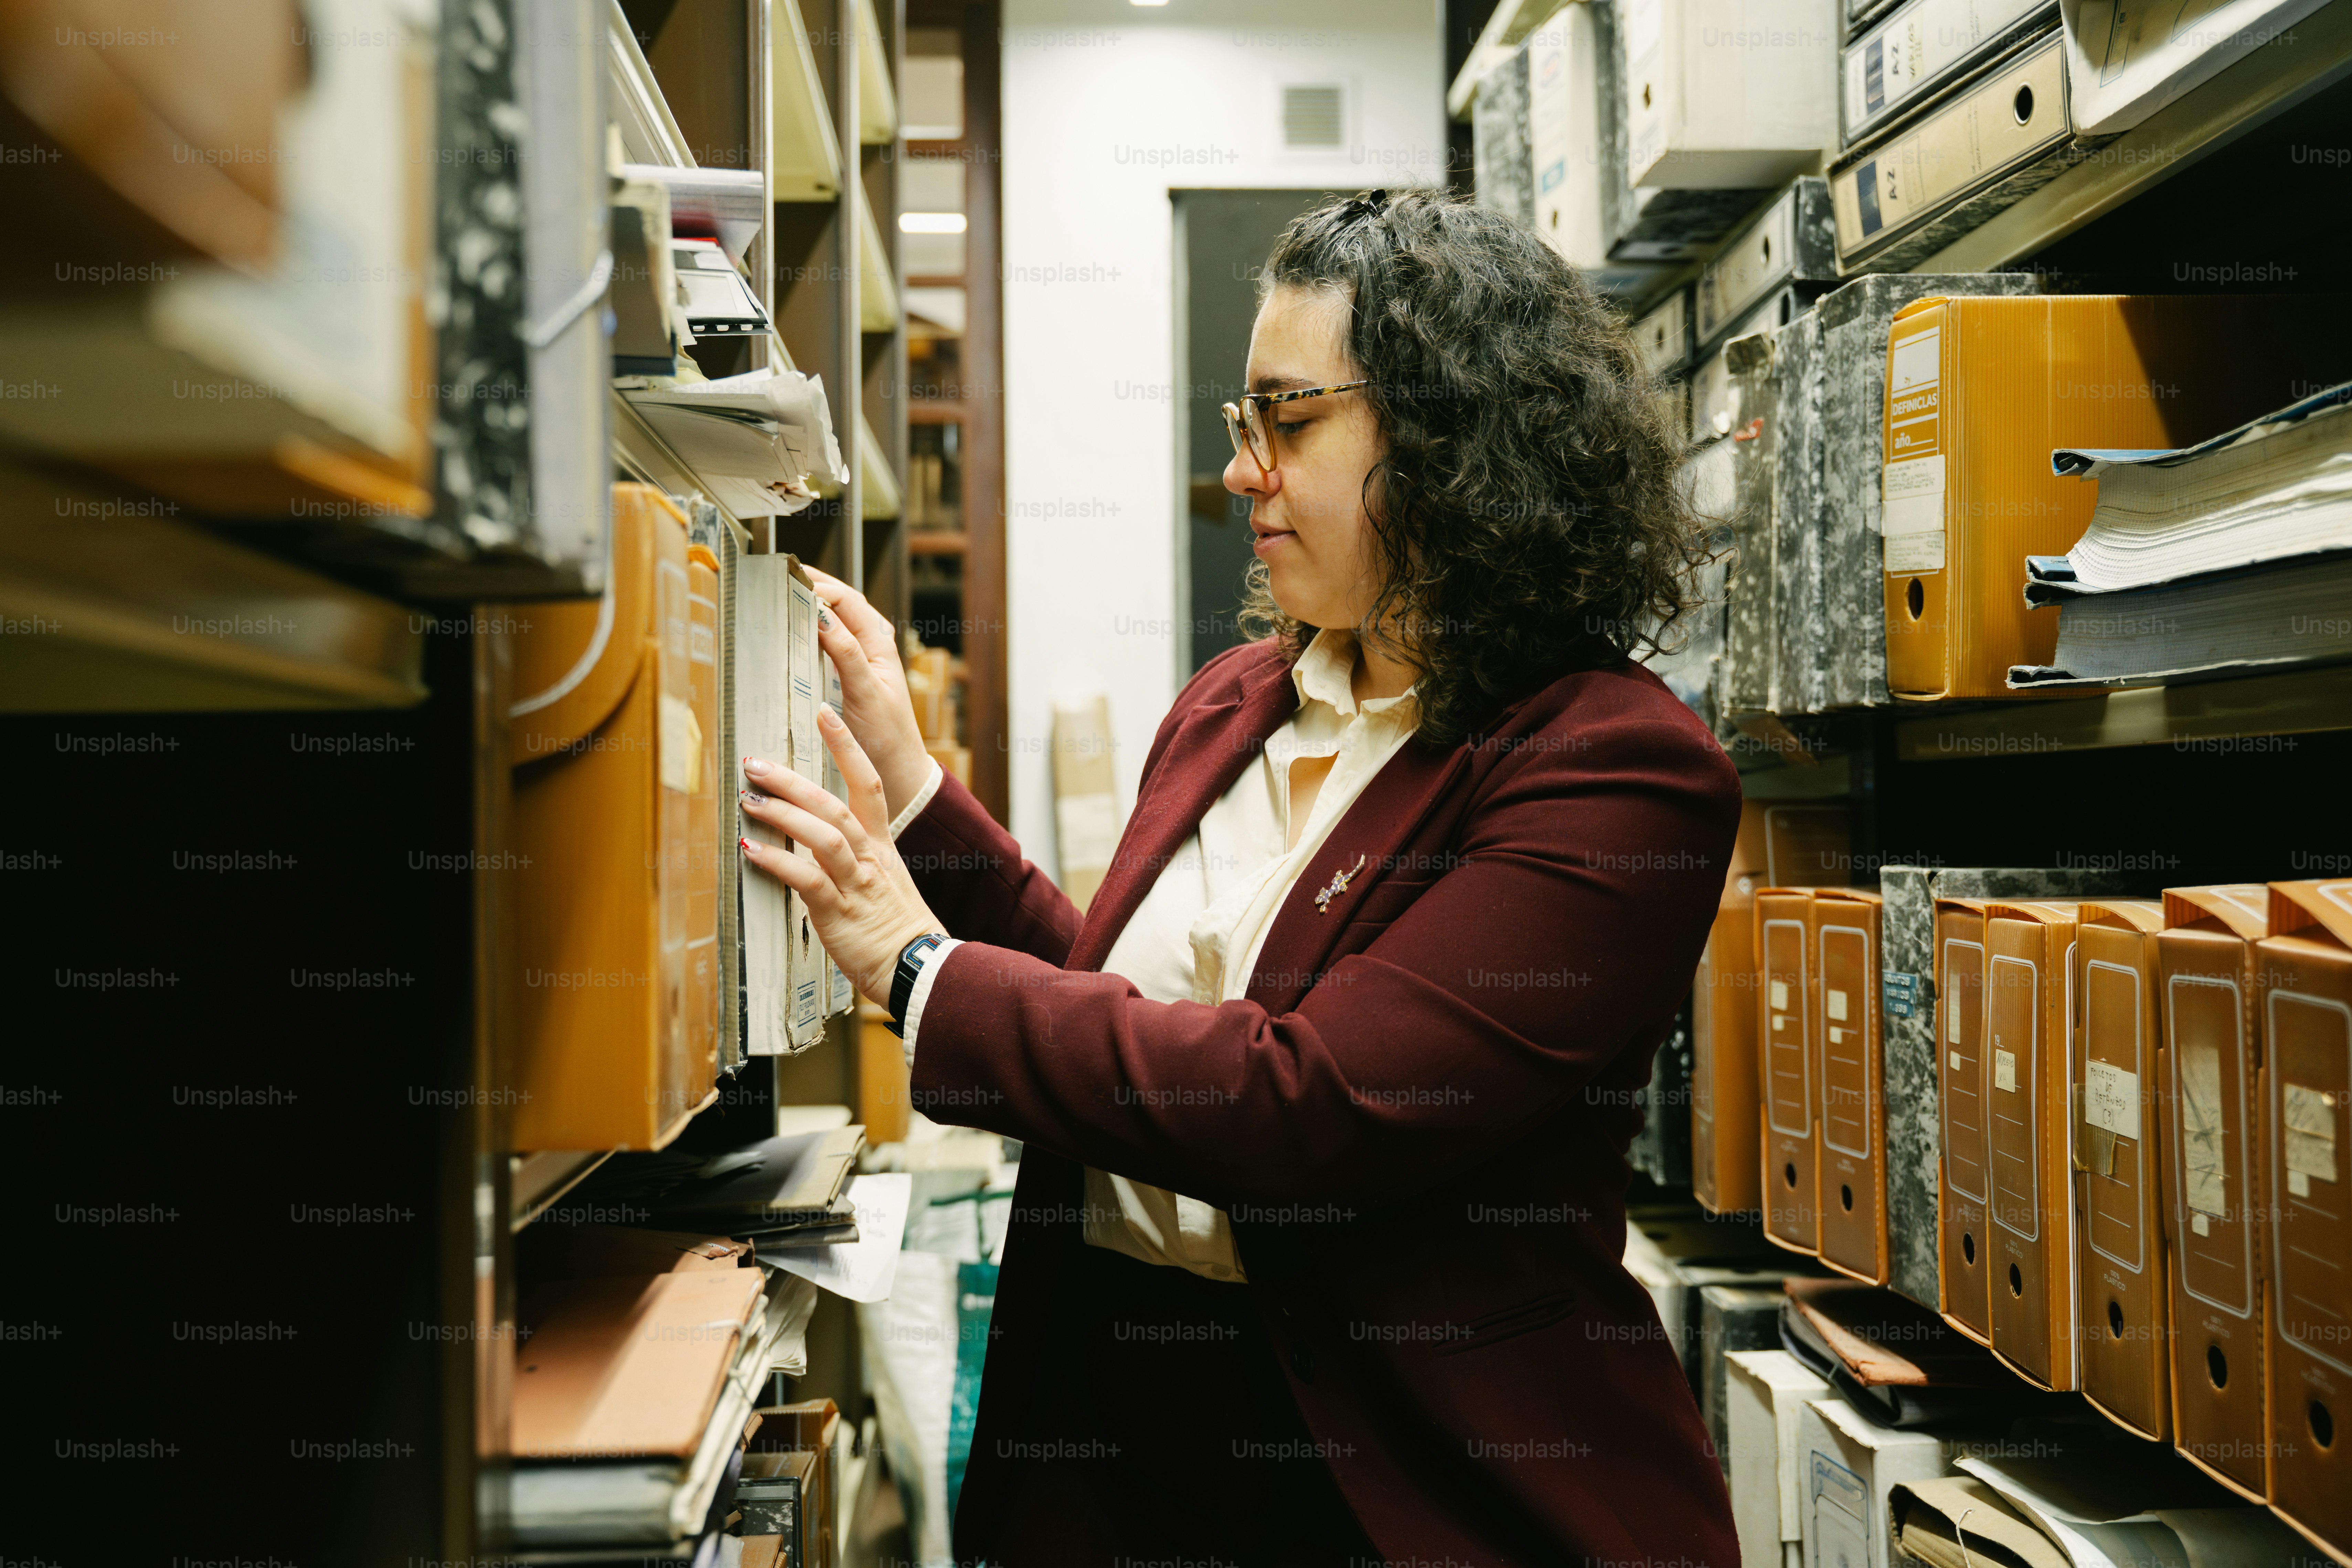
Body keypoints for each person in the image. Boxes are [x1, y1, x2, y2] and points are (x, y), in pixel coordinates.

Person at [738, 188, 1742, 1567]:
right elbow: (1113, 1004)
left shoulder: (1613, 771)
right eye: (1238, 428)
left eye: (1288, 422)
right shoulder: (1235, 703)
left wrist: (918, 976)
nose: (1239, 473)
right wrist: (915, 801)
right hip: (1129, 1451)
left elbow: (1302, 1104)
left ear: (1448, 440)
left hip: (1400, 1487)